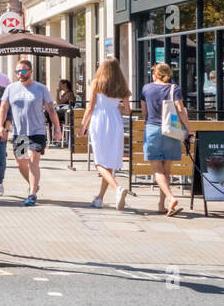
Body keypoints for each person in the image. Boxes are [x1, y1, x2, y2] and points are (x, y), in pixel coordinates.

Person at [0, 58, 62, 206]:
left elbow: (51, 109)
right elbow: (3, 108)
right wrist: (1, 126)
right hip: (20, 133)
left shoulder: (41, 88)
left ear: (31, 71)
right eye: (18, 71)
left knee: (33, 161)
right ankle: (34, 183)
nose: (20, 73)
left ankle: (32, 194)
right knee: (21, 163)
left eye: (24, 70)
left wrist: (57, 128)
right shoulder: (11, 88)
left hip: (37, 132)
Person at [81, 57, 133, 210]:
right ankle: (100, 198)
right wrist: (115, 107)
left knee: (99, 162)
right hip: (115, 122)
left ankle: (117, 189)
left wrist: (82, 127)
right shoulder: (123, 86)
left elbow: (90, 107)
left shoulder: (97, 84)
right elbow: (127, 111)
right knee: (109, 161)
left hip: (99, 121)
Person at [141, 62, 193, 216]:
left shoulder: (146, 88)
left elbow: (144, 112)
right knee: (167, 170)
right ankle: (162, 205)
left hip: (152, 129)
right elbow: (181, 110)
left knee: (157, 170)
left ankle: (170, 198)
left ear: (155, 74)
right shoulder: (174, 88)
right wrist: (188, 131)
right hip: (172, 130)